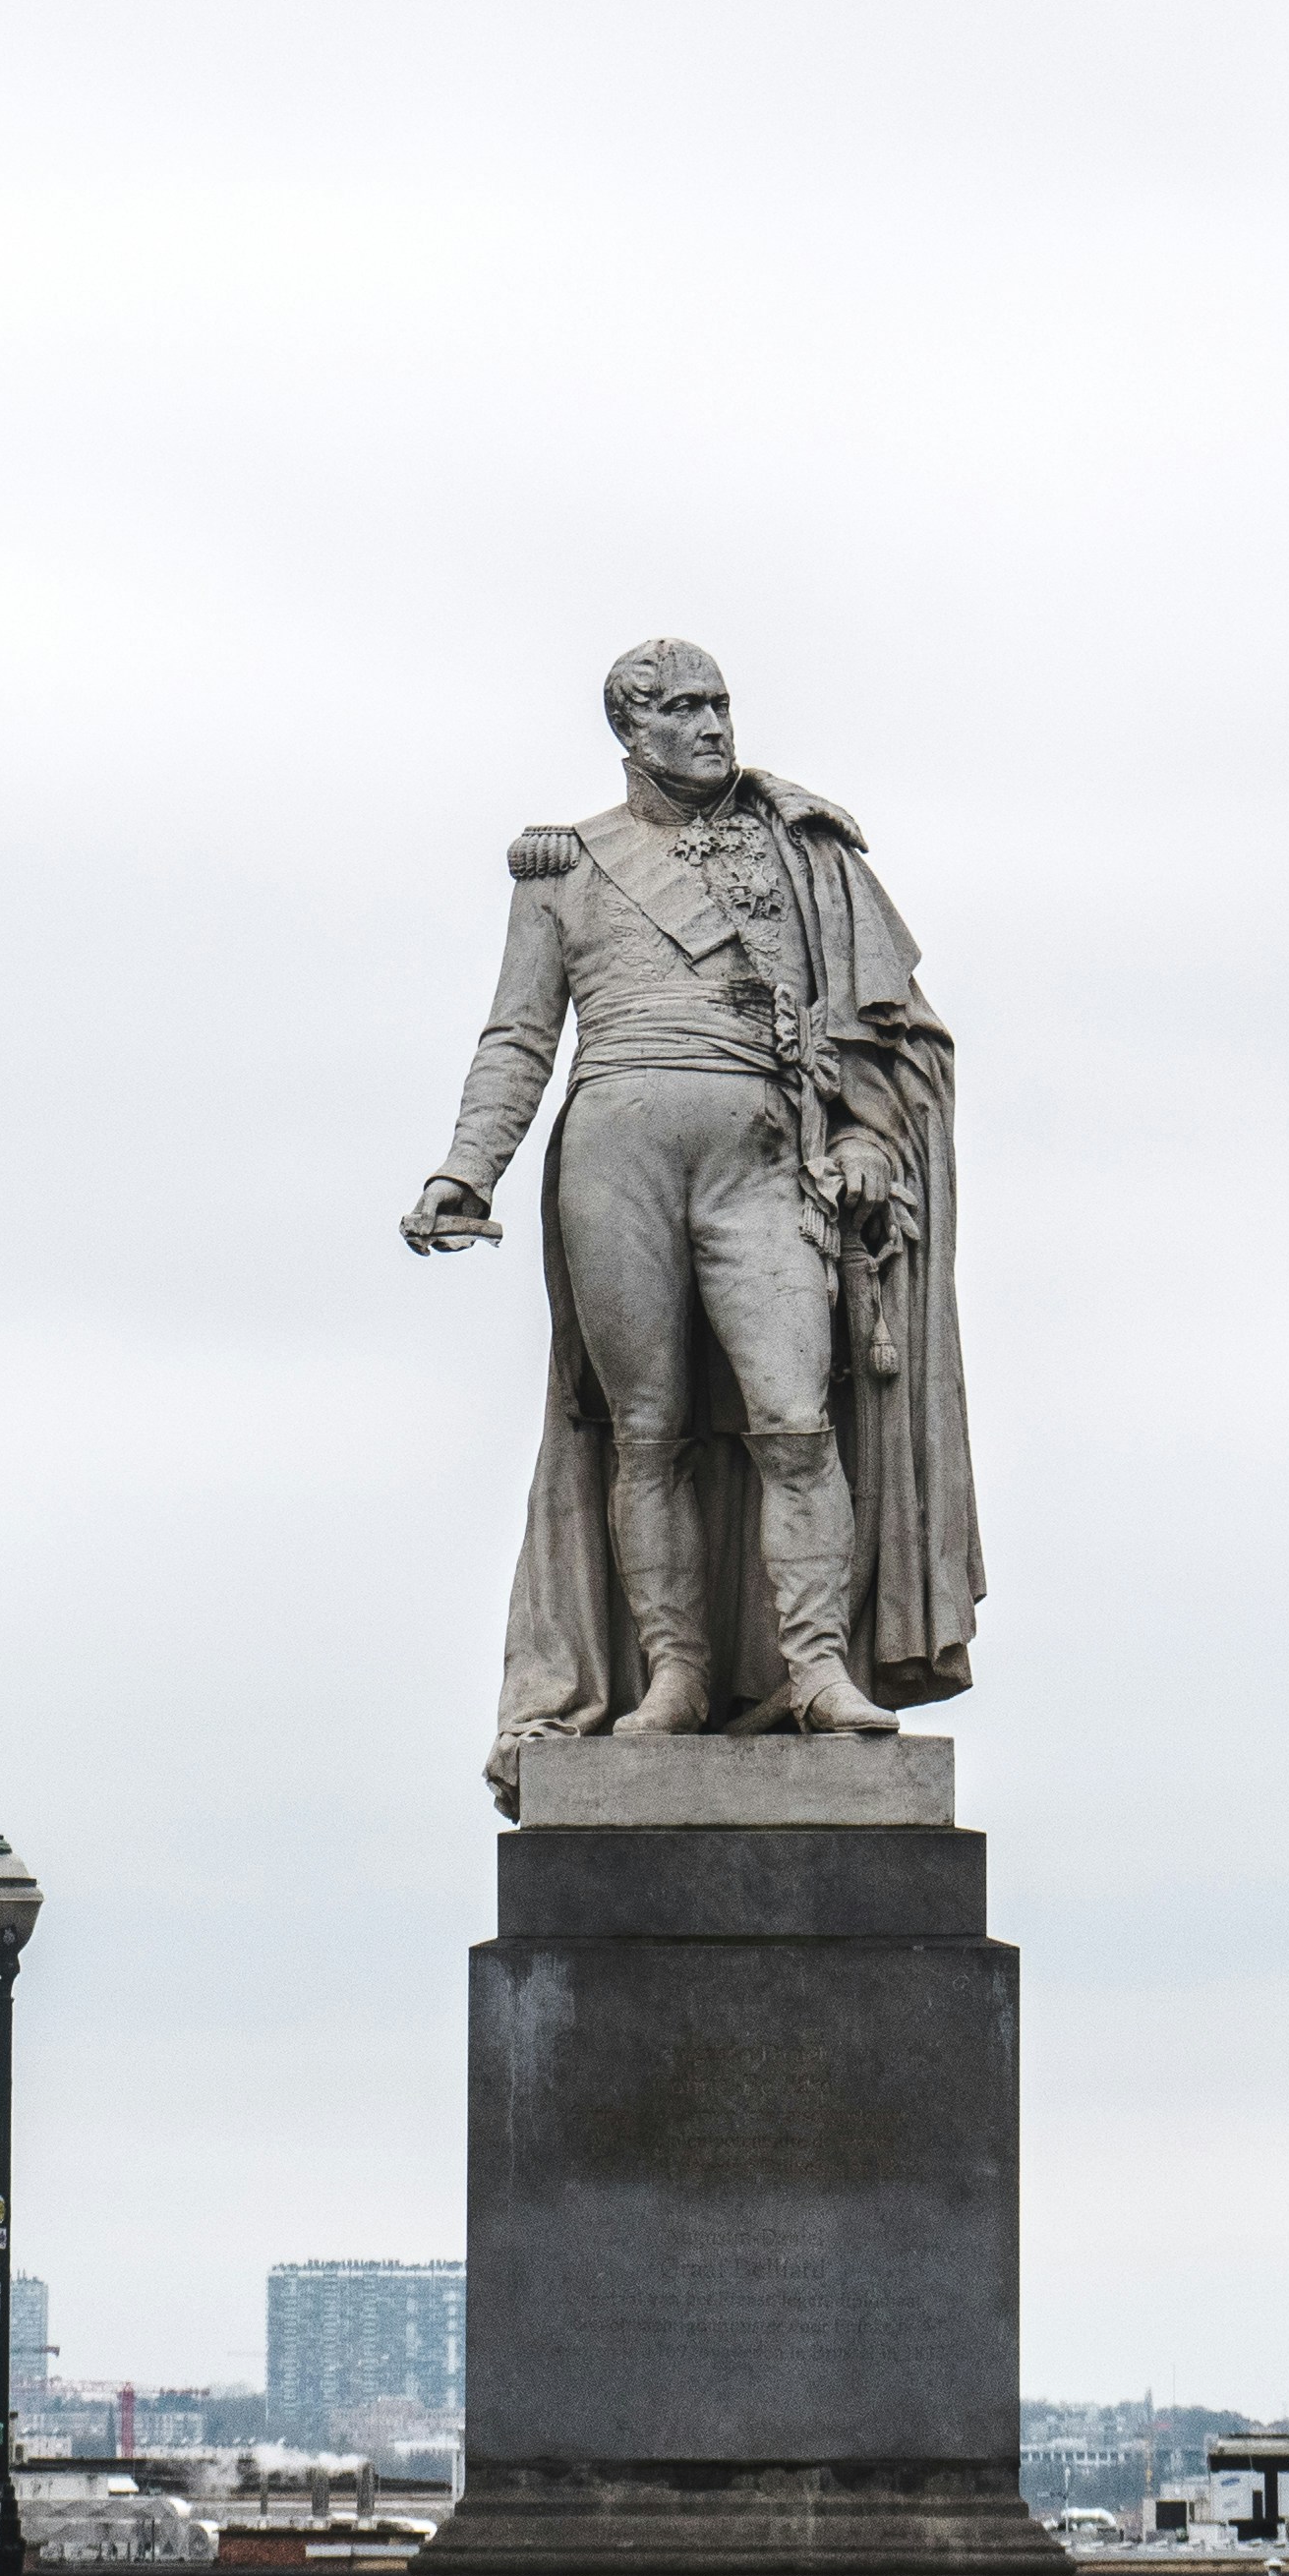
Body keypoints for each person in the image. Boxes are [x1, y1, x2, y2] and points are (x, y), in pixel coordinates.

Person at [408, 639, 980, 1802]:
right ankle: (671, 1671)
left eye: (718, 703)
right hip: (613, 1148)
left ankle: (817, 1666)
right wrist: (466, 1170)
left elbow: (877, 1029)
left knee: (792, 1410)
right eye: (679, 708)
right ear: (631, 729)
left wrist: (867, 1136)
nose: (711, 724)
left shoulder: (800, 847)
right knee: (646, 1430)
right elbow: (520, 1035)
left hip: (760, 1150)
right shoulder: (563, 868)